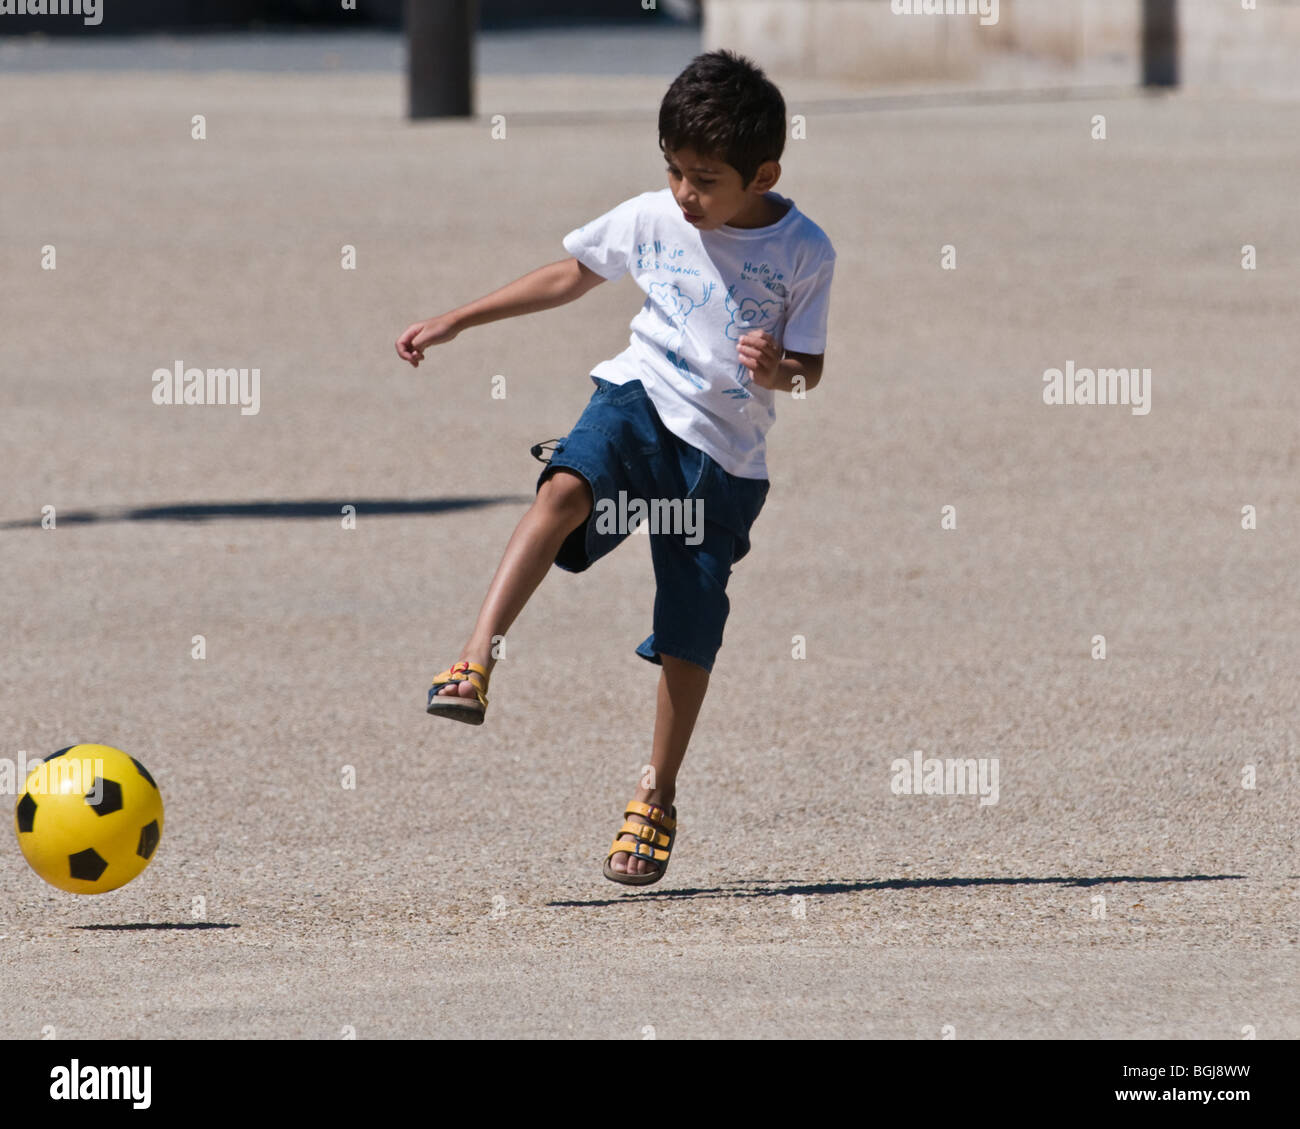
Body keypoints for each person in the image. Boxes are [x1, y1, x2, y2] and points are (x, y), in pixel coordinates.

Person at [395, 49, 836, 887]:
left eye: (704, 179)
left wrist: (779, 368)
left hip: (723, 458)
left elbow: (810, 369)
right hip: (639, 396)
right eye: (672, 170)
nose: (682, 194)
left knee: (688, 628)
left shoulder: (806, 249)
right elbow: (573, 271)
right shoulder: (652, 218)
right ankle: (475, 659)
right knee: (564, 485)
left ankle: (656, 793)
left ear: (764, 172)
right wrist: (460, 317)